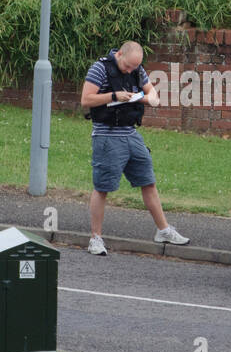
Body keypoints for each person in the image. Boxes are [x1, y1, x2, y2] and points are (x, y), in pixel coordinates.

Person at [80, 41, 189, 255]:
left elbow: (154, 96)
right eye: (127, 66)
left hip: (131, 134)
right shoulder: (99, 68)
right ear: (119, 54)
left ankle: (163, 230)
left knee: (148, 181)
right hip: (107, 136)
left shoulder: (137, 69)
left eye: (134, 67)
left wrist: (146, 98)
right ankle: (96, 239)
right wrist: (114, 96)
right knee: (103, 187)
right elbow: (86, 99)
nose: (130, 71)